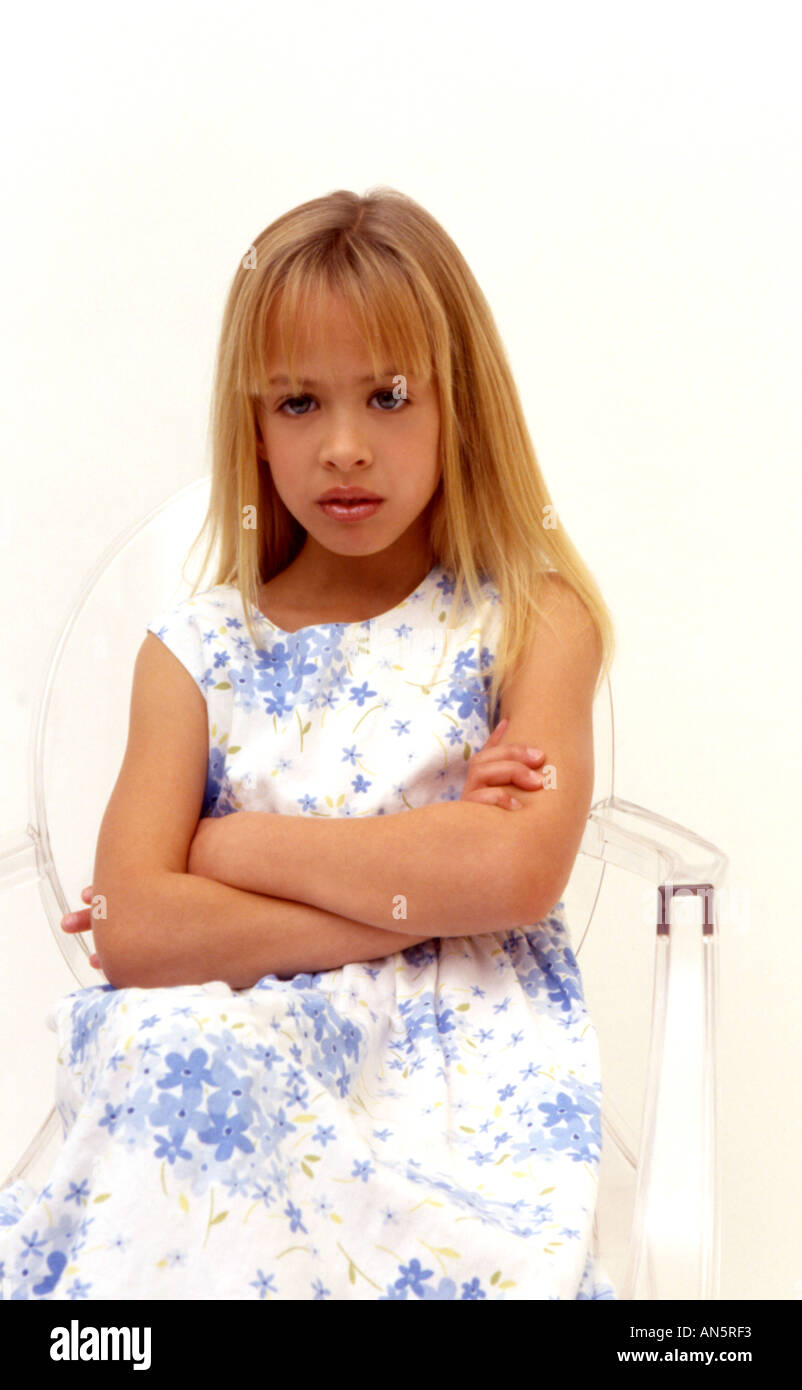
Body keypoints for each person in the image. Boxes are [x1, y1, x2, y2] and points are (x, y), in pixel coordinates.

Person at [0, 187, 617, 1300]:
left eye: (387, 397)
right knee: (181, 1063)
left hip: (443, 1068)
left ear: (457, 406)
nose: (343, 447)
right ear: (255, 426)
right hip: (232, 1049)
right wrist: (420, 893)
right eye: (297, 403)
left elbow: (513, 870)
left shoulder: (526, 619)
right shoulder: (196, 652)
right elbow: (135, 930)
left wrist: (231, 852)